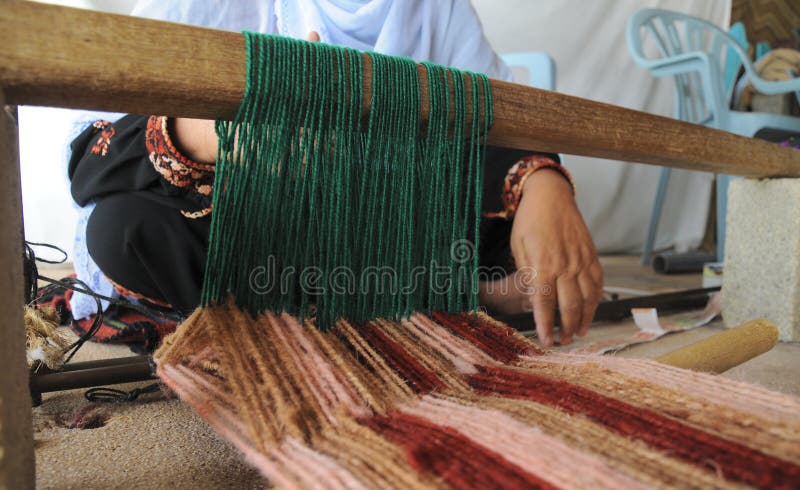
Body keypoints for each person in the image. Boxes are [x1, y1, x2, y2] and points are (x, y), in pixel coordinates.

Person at [68, 0, 602, 348]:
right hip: (260, 226)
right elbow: (94, 161)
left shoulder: (433, 9)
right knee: (125, 229)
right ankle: (425, 304)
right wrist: (219, 135)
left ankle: (414, 301)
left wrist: (542, 180)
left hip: (389, 224)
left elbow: (493, 118)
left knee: (534, 236)